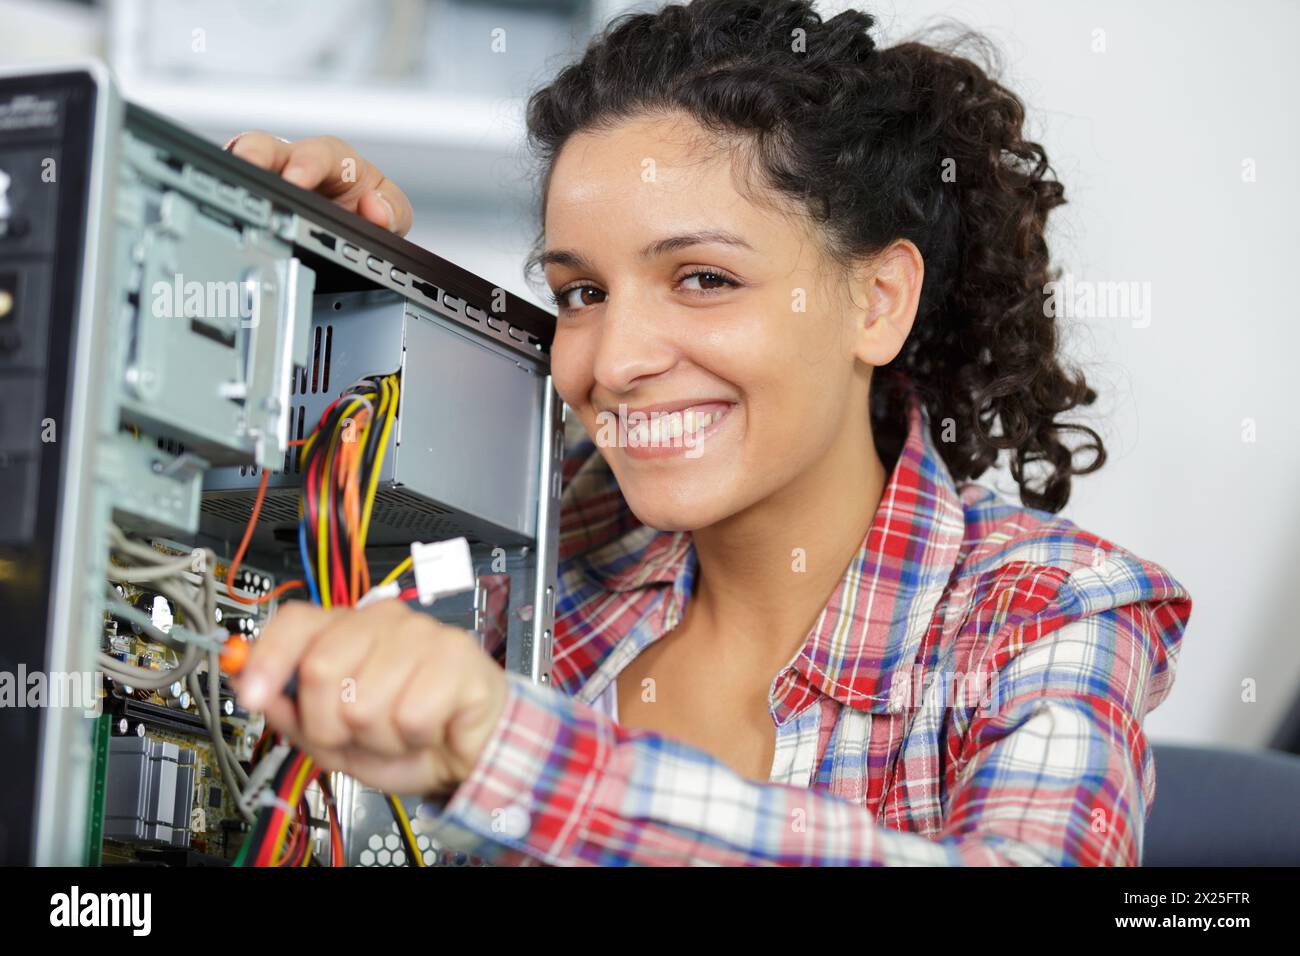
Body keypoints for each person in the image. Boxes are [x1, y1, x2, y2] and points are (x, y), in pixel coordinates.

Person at [230, 0, 1193, 866]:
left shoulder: (1050, 614)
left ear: (878, 301)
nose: (615, 363)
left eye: (704, 278)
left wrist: (509, 753)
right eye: (583, 293)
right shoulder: (543, 538)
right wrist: (325, 298)